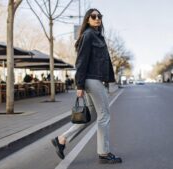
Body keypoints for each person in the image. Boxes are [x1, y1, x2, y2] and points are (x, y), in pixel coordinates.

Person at [51, 8, 122, 164]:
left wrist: (109, 81)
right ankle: (104, 153)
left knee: (92, 116)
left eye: (99, 16)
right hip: (91, 80)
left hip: (96, 79)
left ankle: (62, 139)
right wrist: (79, 85)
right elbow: (81, 61)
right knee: (104, 115)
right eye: (93, 16)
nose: (97, 19)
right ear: (88, 19)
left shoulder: (98, 37)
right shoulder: (89, 35)